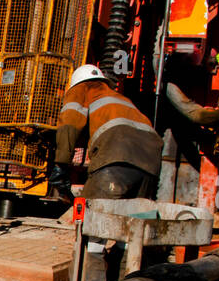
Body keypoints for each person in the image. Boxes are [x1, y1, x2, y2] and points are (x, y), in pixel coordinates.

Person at [49, 64, 163, 203]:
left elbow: (70, 124)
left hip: (117, 156)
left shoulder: (81, 89)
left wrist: (61, 165)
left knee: (90, 213)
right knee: (129, 219)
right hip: (151, 163)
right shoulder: (121, 98)